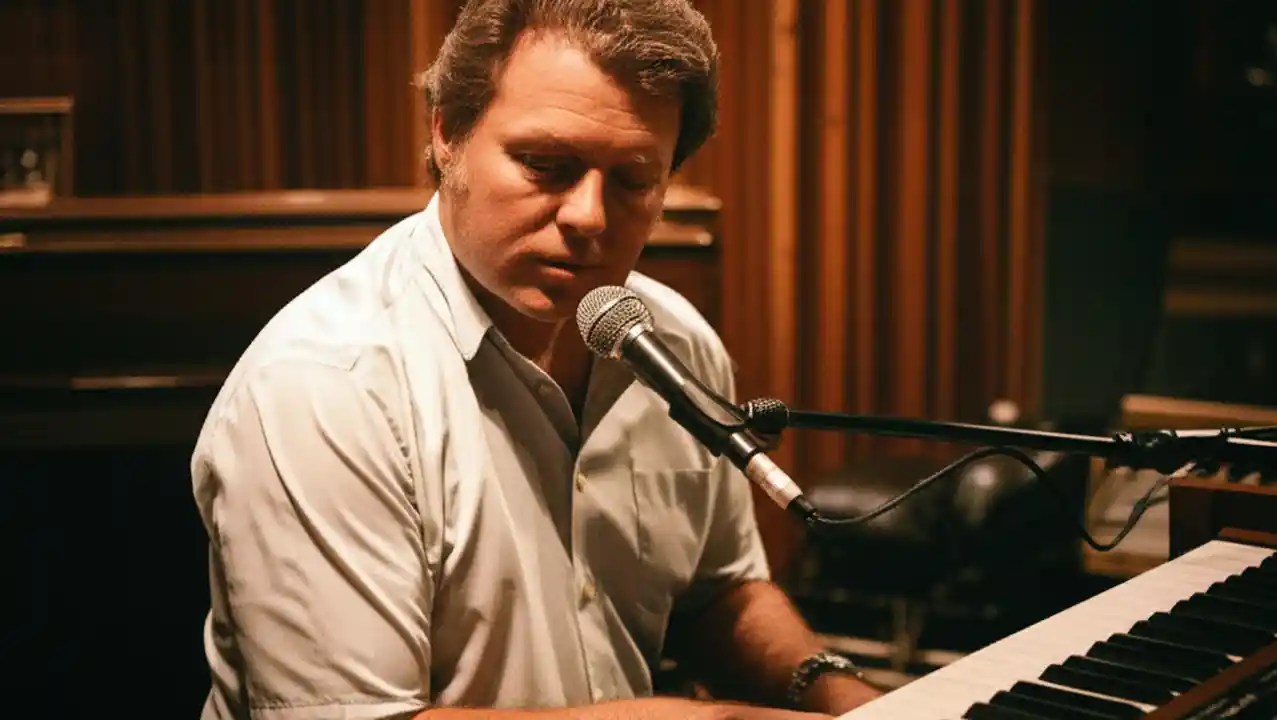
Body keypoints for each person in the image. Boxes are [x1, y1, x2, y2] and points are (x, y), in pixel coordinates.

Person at [190, 1, 883, 718]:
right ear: (446, 134)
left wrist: (843, 696)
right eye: (547, 165)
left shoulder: (674, 343)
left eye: (633, 180)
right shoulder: (325, 386)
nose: (590, 216)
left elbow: (718, 591)